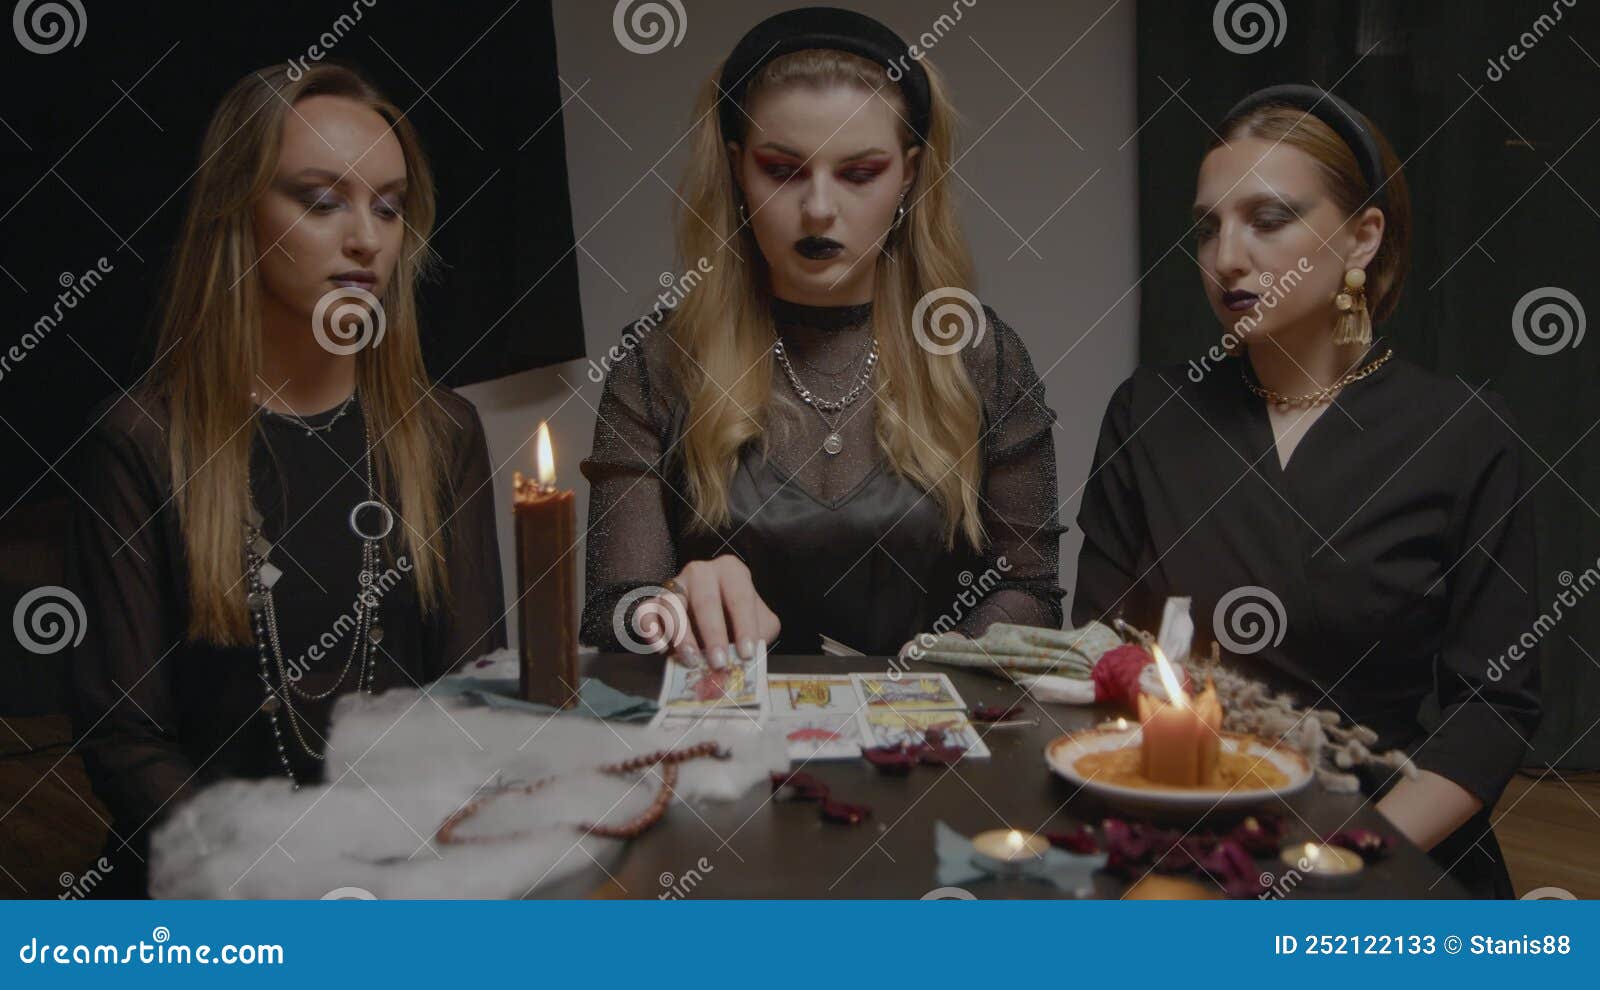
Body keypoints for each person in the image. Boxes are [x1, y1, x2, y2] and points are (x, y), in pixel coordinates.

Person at [1072, 85, 1540, 897]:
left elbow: (1493, 711)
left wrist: (1347, 858)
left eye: (1269, 218)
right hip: (1185, 831)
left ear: (1361, 238)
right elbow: (1101, 658)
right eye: (1208, 226)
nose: (1227, 257)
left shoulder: (1461, 431)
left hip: (1386, 843)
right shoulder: (1151, 412)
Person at [67, 64, 506, 897]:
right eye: (320, 200)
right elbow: (127, 740)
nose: (368, 240)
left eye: (388, 204)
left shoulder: (442, 432)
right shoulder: (140, 440)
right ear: (239, 216)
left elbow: (468, 696)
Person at [579, 7, 1064, 664]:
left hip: (929, 747)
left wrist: (915, 676)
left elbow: (1031, 590)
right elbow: (610, 612)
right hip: (721, 750)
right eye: (782, 169)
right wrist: (661, 606)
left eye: (859, 173)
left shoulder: (981, 357)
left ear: (909, 174)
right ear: (736, 169)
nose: (818, 209)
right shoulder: (657, 362)